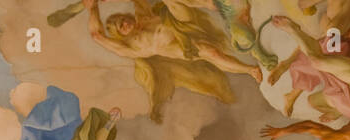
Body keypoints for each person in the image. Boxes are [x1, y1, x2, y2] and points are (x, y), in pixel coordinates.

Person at [83, 0, 260, 121]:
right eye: (121, 26)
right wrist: (92, 8)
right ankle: (250, 70)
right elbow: (97, 35)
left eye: (123, 19)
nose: (126, 24)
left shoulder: (143, 15)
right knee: (211, 53)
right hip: (179, 47)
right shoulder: (130, 48)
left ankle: (214, 4)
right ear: (120, 35)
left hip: (181, 25)